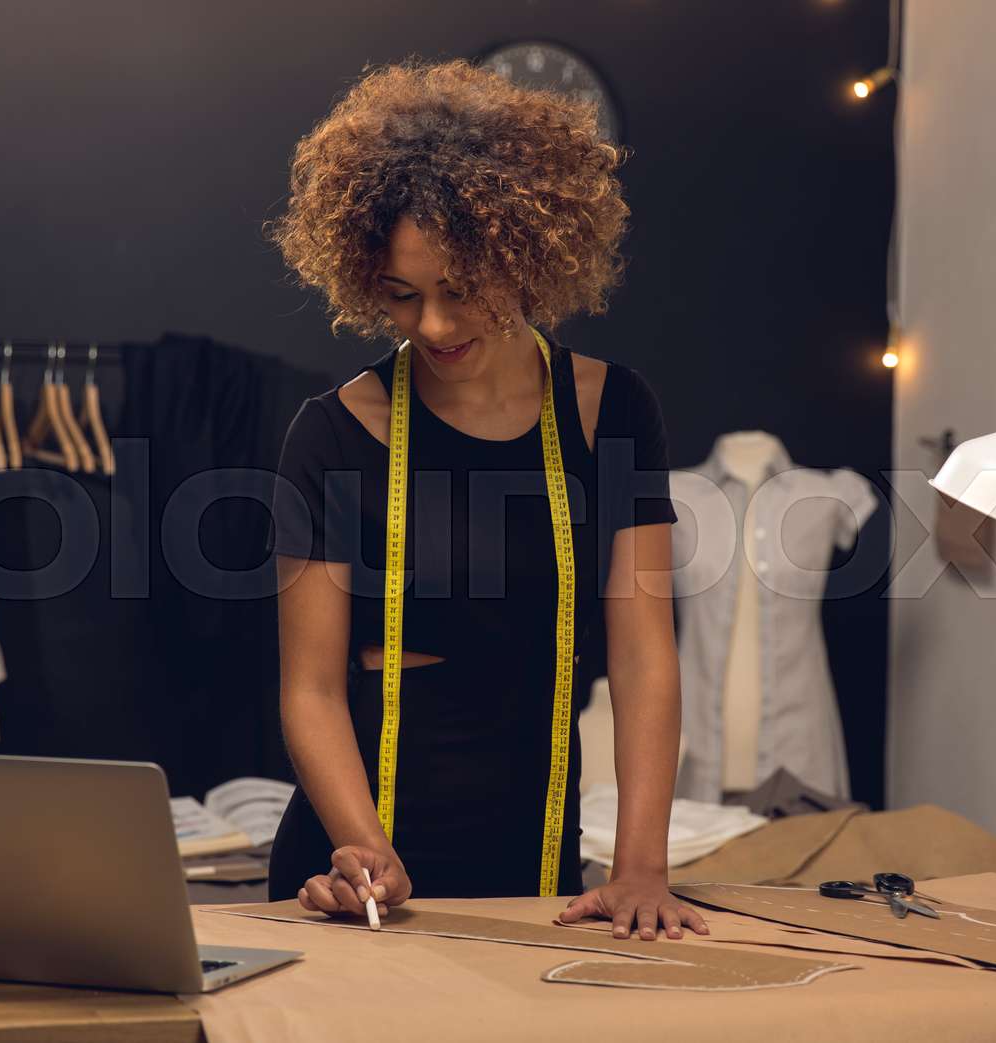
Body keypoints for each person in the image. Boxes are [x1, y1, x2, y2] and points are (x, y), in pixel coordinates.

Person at [266, 60, 703, 941]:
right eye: (402, 295)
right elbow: (311, 688)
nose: (431, 325)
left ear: (526, 260)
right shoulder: (332, 433)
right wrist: (361, 846)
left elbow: (644, 654)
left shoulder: (613, 410)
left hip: (537, 866)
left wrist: (641, 868)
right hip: (362, 876)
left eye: (460, 290)